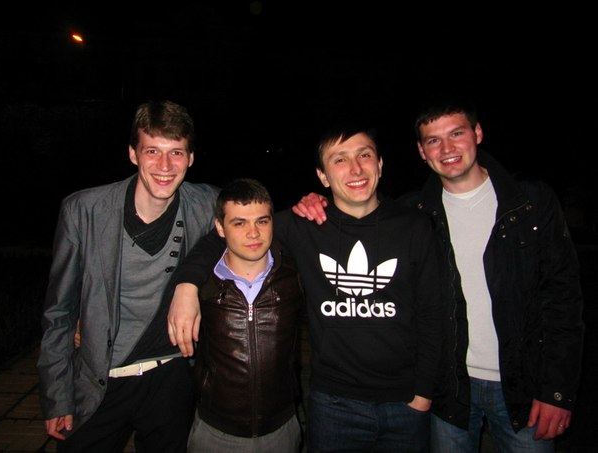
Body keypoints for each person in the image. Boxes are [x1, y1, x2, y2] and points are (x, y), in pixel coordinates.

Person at [293, 97, 585, 452]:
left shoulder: (530, 202)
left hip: (522, 386)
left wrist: (556, 390)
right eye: (434, 140)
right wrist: (316, 201)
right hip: (450, 388)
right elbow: (360, 212)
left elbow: (563, 299)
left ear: (478, 133)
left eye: (456, 134)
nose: (446, 148)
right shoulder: (416, 210)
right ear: (421, 150)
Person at [167, 123, 443, 452]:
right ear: (323, 176)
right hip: (333, 404)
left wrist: (423, 394)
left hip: (405, 403)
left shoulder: (414, 226)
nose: (355, 168)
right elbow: (229, 233)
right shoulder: (302, 226)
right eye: (340, 159)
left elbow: (434, 315)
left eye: (364, 155)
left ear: (380, 165)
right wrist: (186, 286)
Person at [37, 100, 220, 452]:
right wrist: (57, 395)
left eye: (176, 153)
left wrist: (188, 285)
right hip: (101, 381)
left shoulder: (205, 203)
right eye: (152, 151)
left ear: (191, 158)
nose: (165, 166)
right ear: (133, 154)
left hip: (170, 378)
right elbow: (58, 312)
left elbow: (256, 224)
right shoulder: (84, 211)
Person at [178, 177, 305, 452]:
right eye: (239, 223)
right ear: (220, 228)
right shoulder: (202, 283)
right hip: (215, 432)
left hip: (281, 429)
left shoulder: (295, 275)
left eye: (262, 221)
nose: (253, 233)